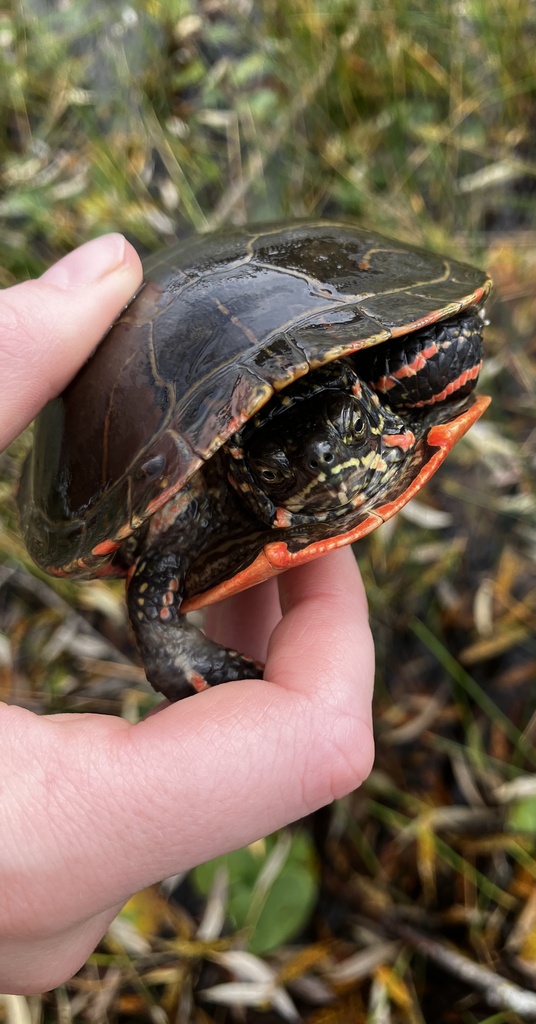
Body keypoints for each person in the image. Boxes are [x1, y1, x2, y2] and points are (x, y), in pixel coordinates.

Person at [0, 234, 375, 994]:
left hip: (313, 328)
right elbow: (157, 576)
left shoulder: (353, 405)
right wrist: (177, 651)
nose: (318, 459)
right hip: (188, 472)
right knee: (171, 540)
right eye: (285, 463)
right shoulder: (208, 493)